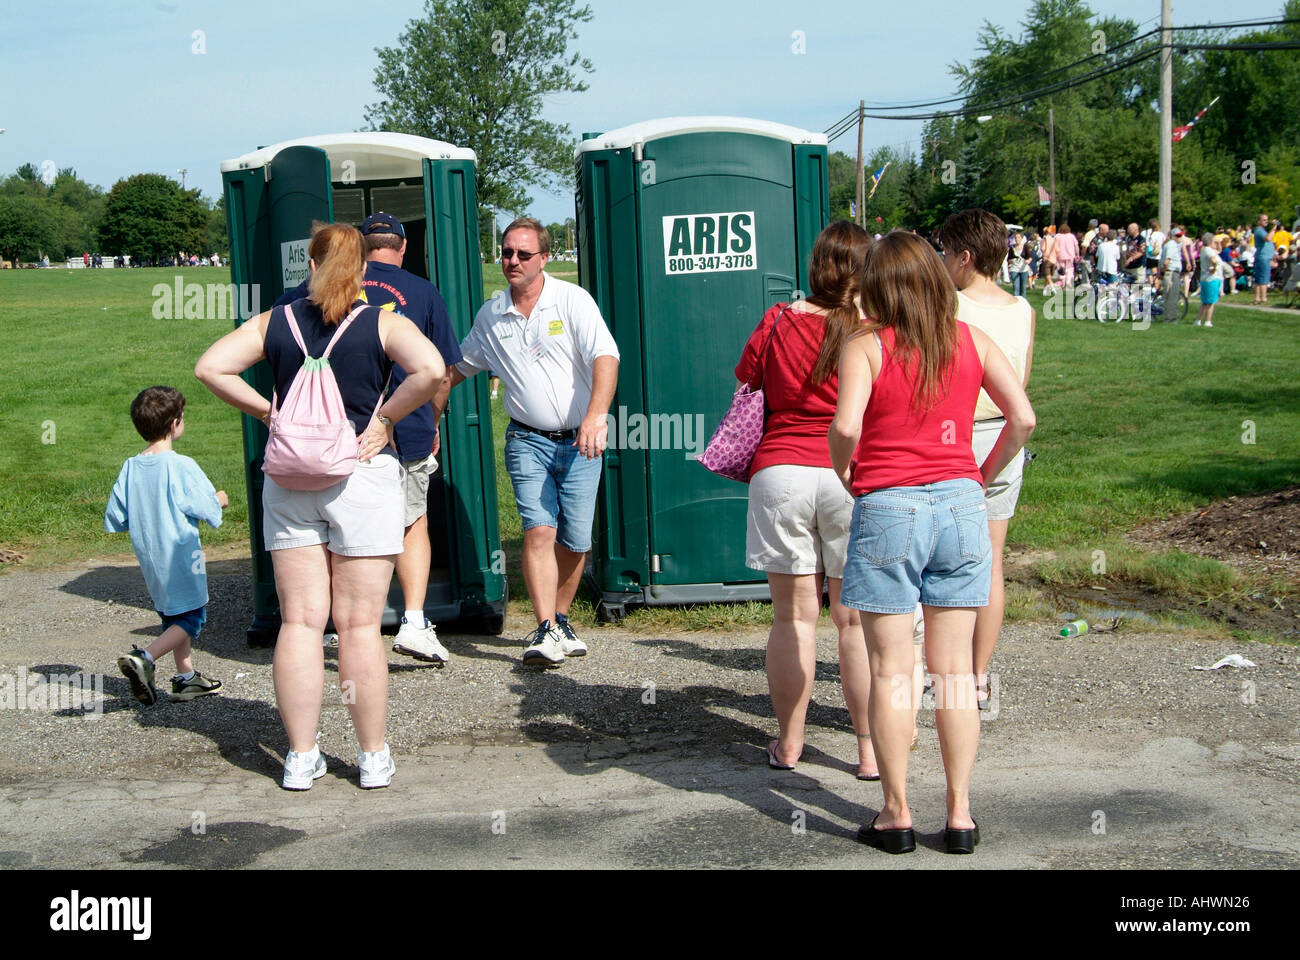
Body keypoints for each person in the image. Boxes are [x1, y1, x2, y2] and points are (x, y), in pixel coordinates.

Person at [196, 222, 445, 790]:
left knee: (301, 622)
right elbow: (431, 370)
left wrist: (268, 414)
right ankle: (372, 756)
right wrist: (387, 420)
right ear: (362, 270)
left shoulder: (275, 320)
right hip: (359, 473)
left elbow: (210, 367)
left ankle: (301, 756)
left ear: (308, 264)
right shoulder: (382, 321)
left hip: (289, 479)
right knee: (358, 626)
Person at [830, 230, 1035, 855]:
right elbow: (1021, 416)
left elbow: (845, 424)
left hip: (890, 502)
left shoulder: (866, 343)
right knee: (953, 673)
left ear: (880, 284)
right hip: (962, 505)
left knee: (895, 668)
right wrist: (984, 472)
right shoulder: (970, 338)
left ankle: (895, 814)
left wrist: (848, 471)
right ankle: (960, 814)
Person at [735, 221, 894, 779]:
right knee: (853, 623)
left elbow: (747, 380)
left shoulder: (777, 320)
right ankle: (870, 750)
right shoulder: (873, 331)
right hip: (851, 474)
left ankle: (791, 742)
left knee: (793, 619)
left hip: (780, 473)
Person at [275, 212, 463, 664]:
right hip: (399, 429)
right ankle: (414, 622)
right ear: (400, 247)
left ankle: (331, 627)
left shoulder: (300, 294)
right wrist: (427, 420)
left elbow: (274, 357)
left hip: (315, 441)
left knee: (329, 537)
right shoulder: (422, 290)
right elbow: (441, 373)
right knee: (411, 522)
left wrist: (272, 414)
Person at [449, 217, 619, 667]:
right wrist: (421, 411)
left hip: (582, 441)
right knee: (539, 529)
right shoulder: (492, 315)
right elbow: (456, 369)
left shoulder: (571, 300)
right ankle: (544, 628)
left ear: (545, 257)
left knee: (576, 540)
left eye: (524, 254)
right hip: (527, 440)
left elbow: (607, 355)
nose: (513, 262)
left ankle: (561, 619)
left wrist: (596, 416)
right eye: (507, 253)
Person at [939, 210, 1035, 713]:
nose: (941, 261)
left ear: (965, 257)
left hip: (954, 434)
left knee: (940, 559)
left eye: (945, 251)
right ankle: (976, 676)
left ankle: (937, 666)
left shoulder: (949, 305)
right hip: (1005, 432)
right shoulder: (1023, 309)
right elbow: (1021, 381)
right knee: (991, 561)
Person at [106, 386, 227, 706]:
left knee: (172, 614)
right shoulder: (180, 465)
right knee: (192, 616)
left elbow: (116, 517)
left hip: (151, 558)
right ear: (175, 424)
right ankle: (145, 657)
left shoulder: (130, 467)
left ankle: (186, 677)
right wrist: (218, 502)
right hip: (182, 554)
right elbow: (204, 506)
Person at [1197, 234, 1222, 327]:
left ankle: (1198, 320)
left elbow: (1219, 250)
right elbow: (1214, 261)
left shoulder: (1205, 250)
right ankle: (1208, 321)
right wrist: (1214, 268)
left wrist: (1218, 243)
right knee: (1211, 302)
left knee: (1204, 302)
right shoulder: (1209, 251)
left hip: (1205, 278)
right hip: (1212, 278)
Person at [1253, 214, 1277, 304]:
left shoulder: (1263, 230)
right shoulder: (1259, 230)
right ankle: (1262, 298)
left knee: (1261, 278)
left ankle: (1259, 298)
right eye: (1264, 220)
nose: (1266, 221)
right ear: (1258, 221)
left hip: (1265, 257)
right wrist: (1274, 227)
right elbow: (1268, 238)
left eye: (1267, 220)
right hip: (1263, 257)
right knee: (1263, 278)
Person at [1162, 228, 1184, 320]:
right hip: (1171, 272)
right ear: (1173, 236)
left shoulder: (1168, 244)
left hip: (1170, 272)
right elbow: (1167, 261)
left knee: (1169, 296)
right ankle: (1171, 318)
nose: (1180, 237)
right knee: (1172, 296)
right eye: (1178, 236)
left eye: (1181, 235)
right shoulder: (1172, 245)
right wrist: (1166, 271)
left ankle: (1168, 316)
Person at [1053, 221, 1079, 289]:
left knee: (1061, 269)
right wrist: (1077, 254)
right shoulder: (1071, 236)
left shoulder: (1057, 236)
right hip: (1070, 256)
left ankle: (1062, 282)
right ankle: (1068, 281)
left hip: (1059, 255)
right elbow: (1076, 246)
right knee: (1070, 269)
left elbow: (1054, 246)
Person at [1008, 231, 1030, 297]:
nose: (1017, 239)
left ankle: (1023, 304)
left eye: (1018, 237)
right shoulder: (1012, 248)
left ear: (1021, 238)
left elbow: (1030, 257)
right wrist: (1010, 261)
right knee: (1016, 288)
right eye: (1016, 238)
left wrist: (1028, 261)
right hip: (1014, 269)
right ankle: (1016, 304)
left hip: (1023, 269)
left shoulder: (1025, 247)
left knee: (1023, 289)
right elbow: (1008, 260)